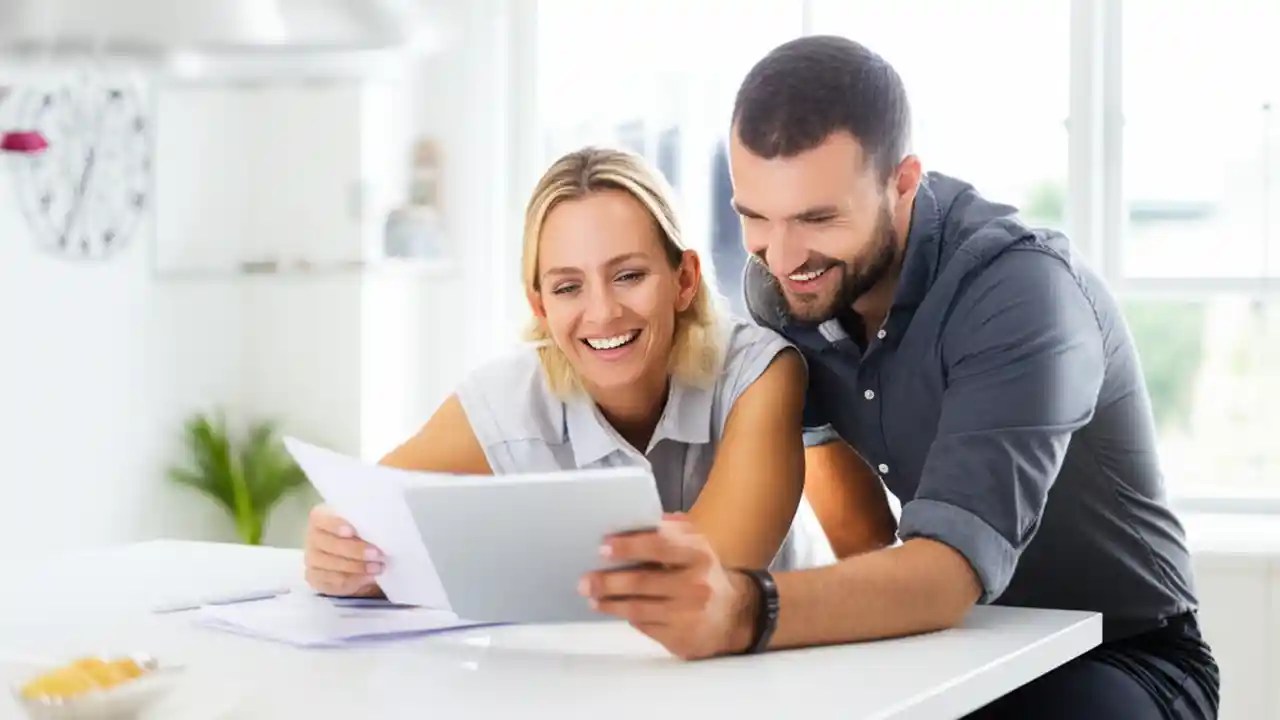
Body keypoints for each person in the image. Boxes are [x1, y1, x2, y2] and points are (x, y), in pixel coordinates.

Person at [579, 36, 1219, 719]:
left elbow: (944, 573)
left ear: (903, 180)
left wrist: (741, 608)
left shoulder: (1022, 294)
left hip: (1122, 653)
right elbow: (869, 537)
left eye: (817, 217)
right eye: (755, 217)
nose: (782, 254)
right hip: (953, 641)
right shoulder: (788, 289)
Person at [303, 146, 857, 601]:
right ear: (540, 305)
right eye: (568, 287)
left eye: (629, 275)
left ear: (684, 278)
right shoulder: (508, 400)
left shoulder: (760, 374)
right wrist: (343, 555)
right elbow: (363, 516)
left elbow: (711, 579)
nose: (602, 312)